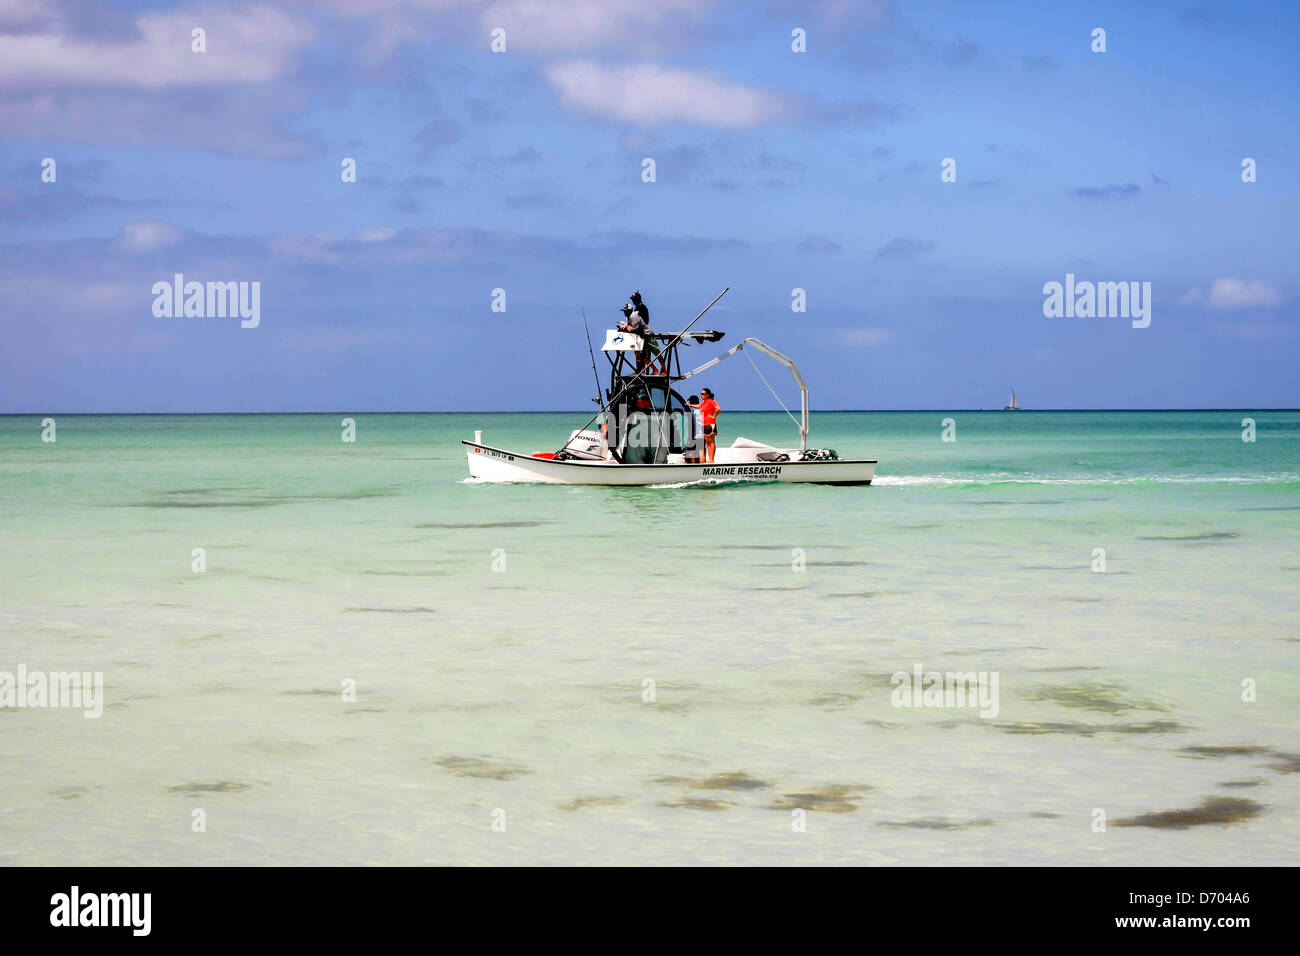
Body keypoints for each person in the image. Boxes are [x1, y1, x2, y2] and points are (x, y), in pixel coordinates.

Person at [698, 387, 720, 463]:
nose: (701, 395)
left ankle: (711, 459)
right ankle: (710, 459)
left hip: (710, 424)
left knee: (711, 442)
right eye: (701, 394)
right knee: (708, 442)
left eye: (703, 394)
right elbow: (698, 406)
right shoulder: (704, 402)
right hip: (705, 424)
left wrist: (714, 416)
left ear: (708, 395)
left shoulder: (710, 401)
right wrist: (689, 405)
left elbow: (718, 408)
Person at [685, 394, 704, 463]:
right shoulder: (702, 409)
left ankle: (692, 467)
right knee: (701, 451)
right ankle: (702, 467)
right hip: (701, 434)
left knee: (691, 452)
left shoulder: (693, 410)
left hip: (694, 434)